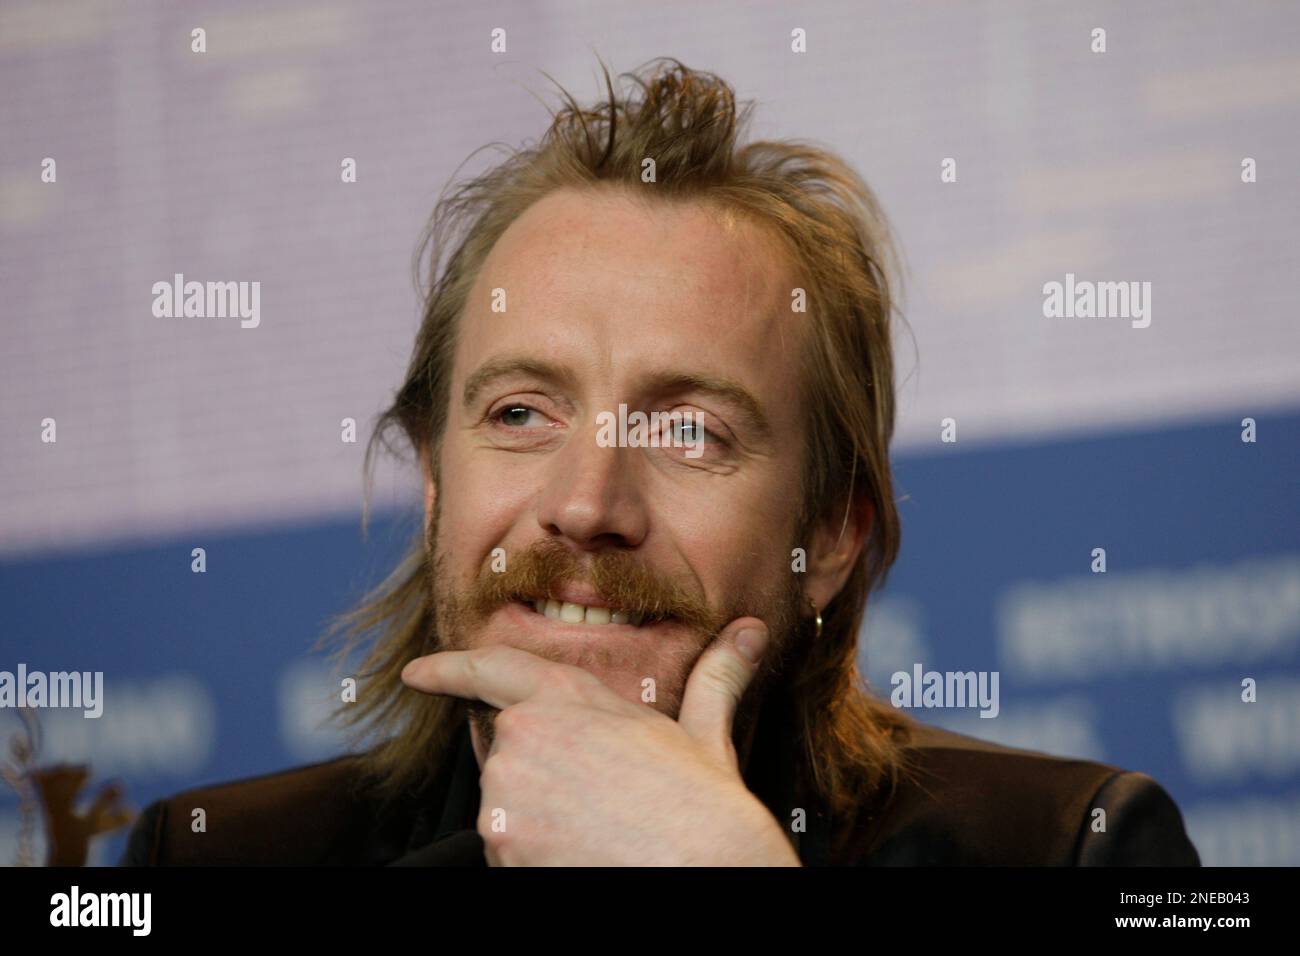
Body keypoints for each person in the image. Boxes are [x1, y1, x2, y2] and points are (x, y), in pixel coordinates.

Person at [120, 58, 1199, 867]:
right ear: (436, 483)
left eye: (689, 431)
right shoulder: (212, 855)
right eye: (520, 411)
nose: (586, 503)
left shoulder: (1078, 848)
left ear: (828, 534)